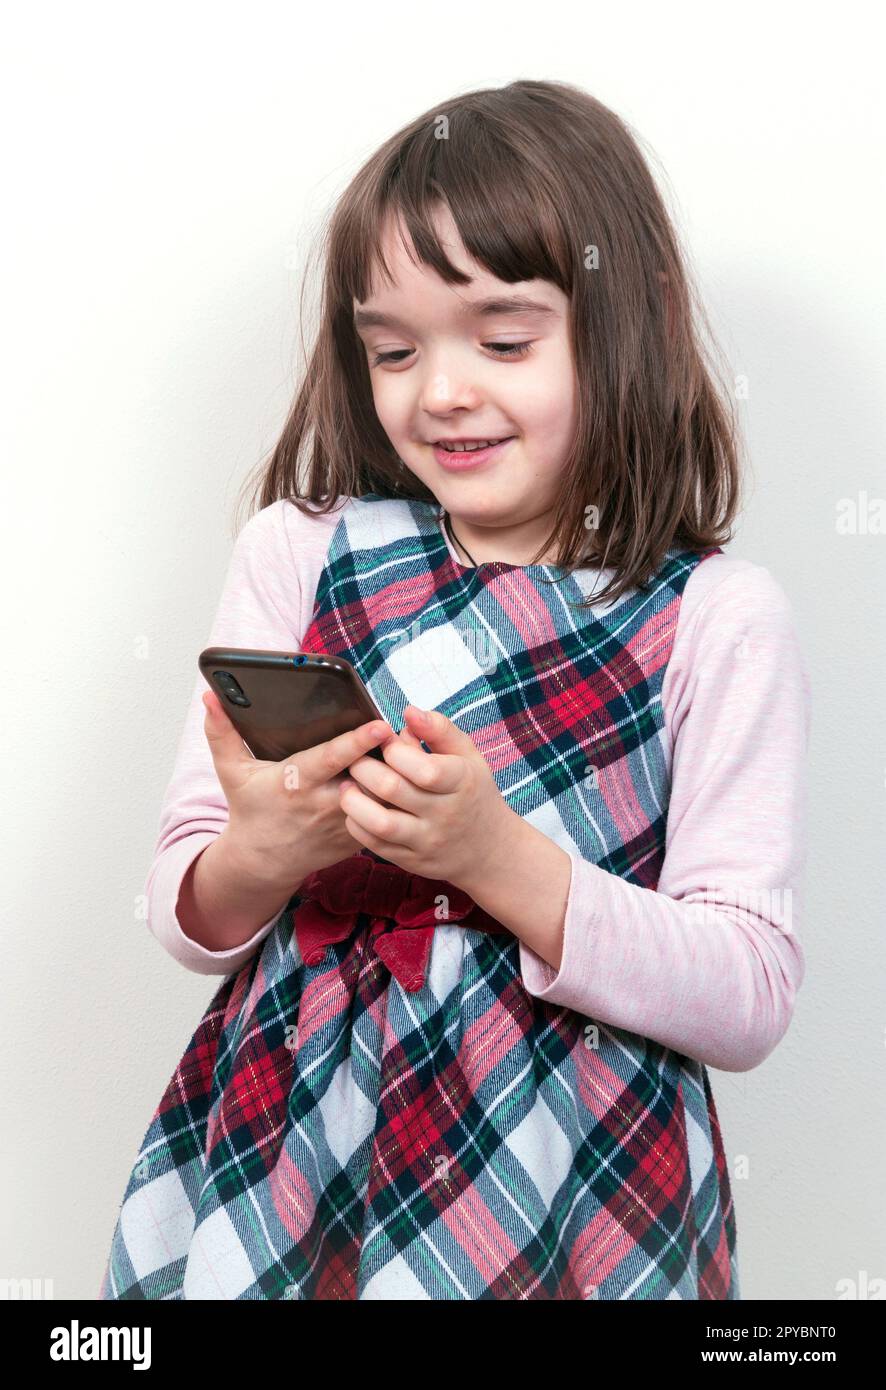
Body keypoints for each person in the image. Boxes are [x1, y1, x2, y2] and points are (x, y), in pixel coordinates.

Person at [99, 79, 810, 1300]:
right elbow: (186, 908)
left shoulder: (712, 617)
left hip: (574, 1185)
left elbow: (746, 993)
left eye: (502, 339)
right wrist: (263, 851)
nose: (438, 390)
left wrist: (495, 857)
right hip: (294, 1150)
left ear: (623, 323)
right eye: (392, 347)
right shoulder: (302, 549)